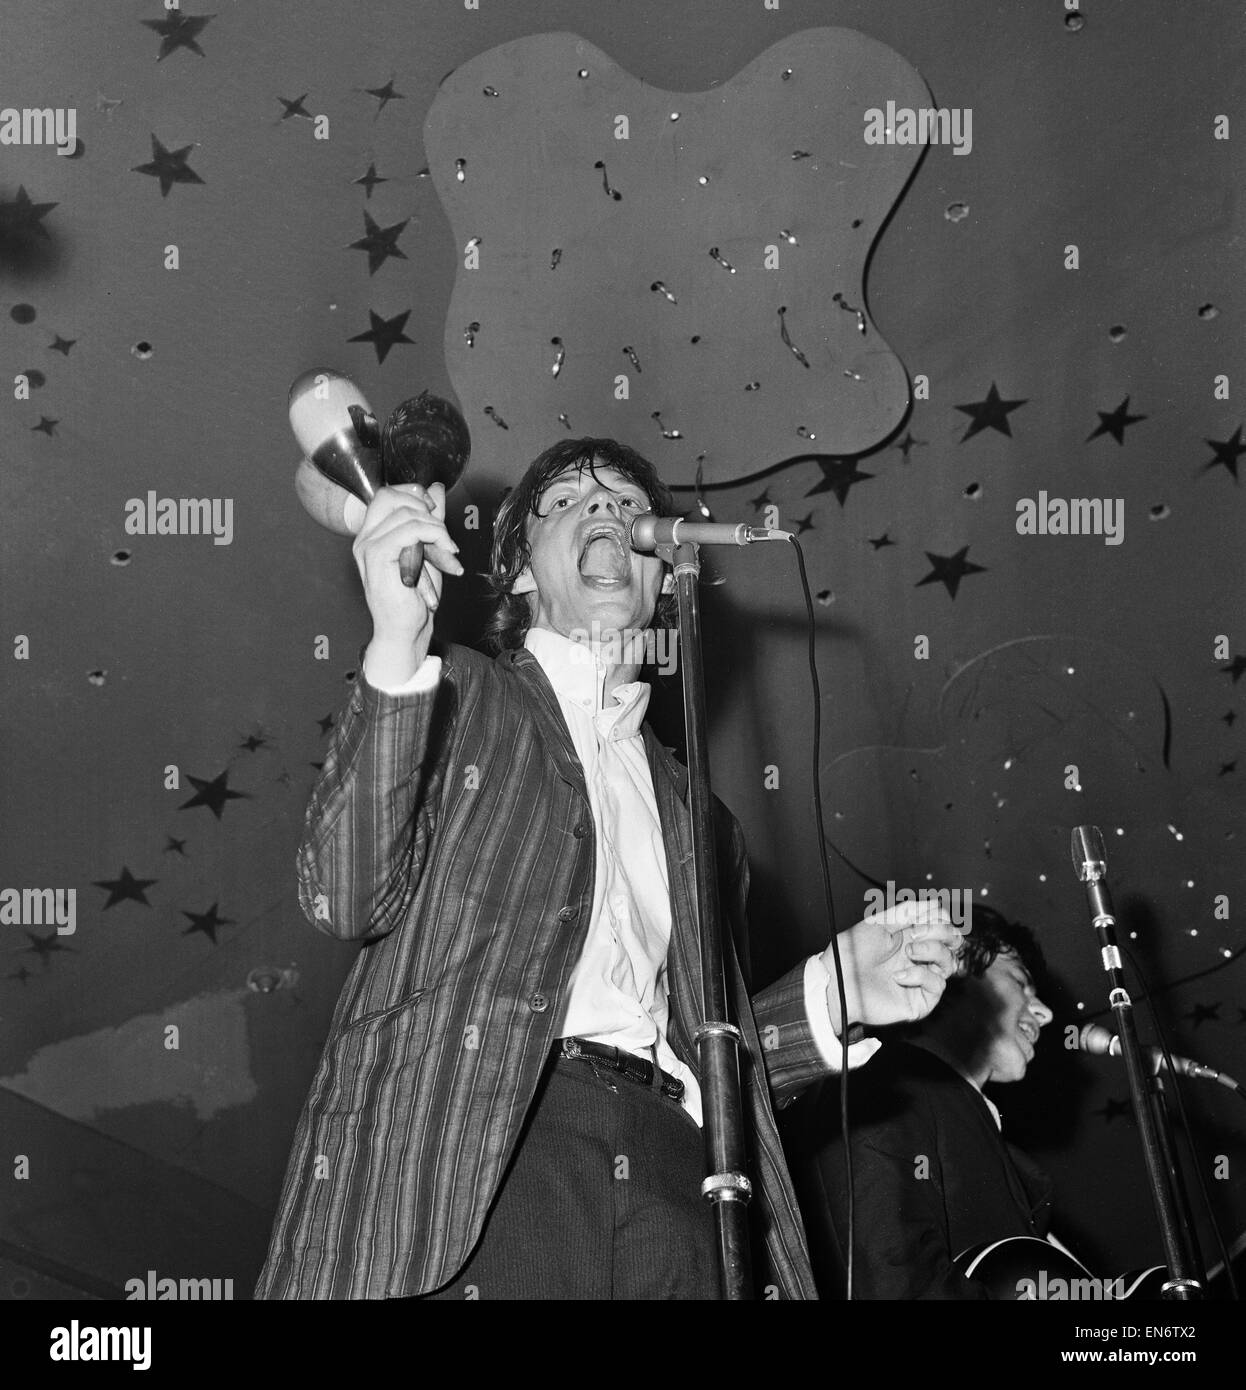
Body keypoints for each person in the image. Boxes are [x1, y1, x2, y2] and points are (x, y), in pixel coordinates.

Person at [254, 437, 962, 1300]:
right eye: (569, 501)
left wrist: (831, 994)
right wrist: (399, 646)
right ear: (517, 573)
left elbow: (713, 1066)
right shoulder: (459, 697)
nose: (606, 511)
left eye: (629, 503)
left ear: (666, 568)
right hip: (484, 1166)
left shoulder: (703, 820)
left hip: (678, 1182)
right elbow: (341, 892)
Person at [784, 903, 1057, 1299]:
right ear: (954, 967)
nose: (1045, 1012)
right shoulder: (887, 1081)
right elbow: (892, 1279)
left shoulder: (991, 1138)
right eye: (1020, 981)